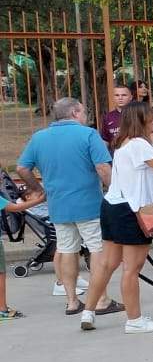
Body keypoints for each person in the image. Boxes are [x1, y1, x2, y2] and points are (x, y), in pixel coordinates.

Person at [80, 102, 153, 334]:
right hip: (136, 208)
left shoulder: (128, 144)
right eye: (151, 117)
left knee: (108, 264)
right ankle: (134, 320)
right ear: (141, 120)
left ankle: (89, 311)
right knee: (132, 268)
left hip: (115, 205)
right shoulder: (139, 145)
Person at [16, 98, 119, 315]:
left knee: (66, 249)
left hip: (58, 204)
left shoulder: (39, 137)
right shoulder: (88, 134)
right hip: (88, 203)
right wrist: (116, 191)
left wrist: (38, 189)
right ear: (74, 112)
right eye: (83, 111)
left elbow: (22, 168)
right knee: (96, 248)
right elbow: (102, 167)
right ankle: (101, 298)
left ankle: (72, 301)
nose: (85, 116)